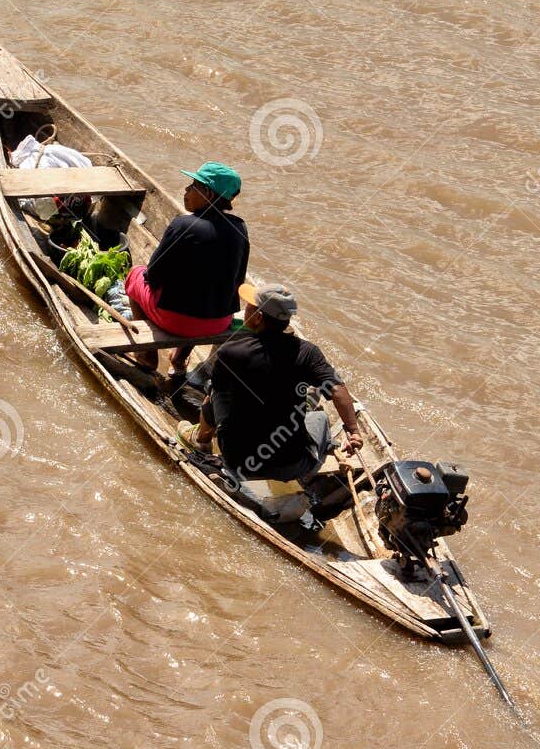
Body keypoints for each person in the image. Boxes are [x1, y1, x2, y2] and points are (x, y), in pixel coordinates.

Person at [177, 282, 363, 521]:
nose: (244, 311)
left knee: (214, 394)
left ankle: (201, 440)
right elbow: (337, 389)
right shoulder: (307, 353)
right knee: (320, 417)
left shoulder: (230, 353)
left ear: (257, 318)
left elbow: (215, 399)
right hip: (292, 464)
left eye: (248, 307)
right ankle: (311, 470)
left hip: (237, 459)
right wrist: (353, 432)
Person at [124, 162, 249, 378]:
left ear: (208, 193)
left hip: (176, 321)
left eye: (193, 186)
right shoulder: (240, 228)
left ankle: (148, 353)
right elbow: (238, 281)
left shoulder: (182, 225)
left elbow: (152, 276)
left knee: (134, 274)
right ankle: (180, 358)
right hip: (218, 323)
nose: (186, 190)